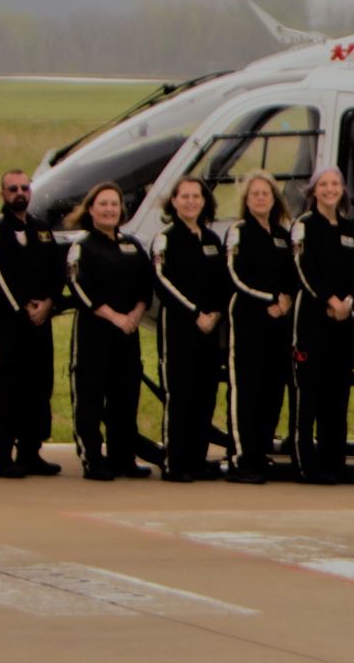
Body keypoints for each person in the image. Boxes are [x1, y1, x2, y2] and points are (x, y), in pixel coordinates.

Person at [64, 182, 154, 481]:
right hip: (95, 332)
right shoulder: (83, 246)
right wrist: (114, 316)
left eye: (114, 204)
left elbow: (146, 286)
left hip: (128, 333)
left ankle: (122, 458)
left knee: (125, 397)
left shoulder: (132, 245)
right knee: (91, 396)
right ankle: (92, 457)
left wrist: (133, 316)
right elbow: (79, 288)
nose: (109, 209)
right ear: (91, 209)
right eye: (103, 204)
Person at [0, 168, 61, 478]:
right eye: (12, 188)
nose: (19, 193)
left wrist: (49, 302)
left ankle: (30, 451)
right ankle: (0, 454)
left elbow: (57, 268)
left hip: (40, 320)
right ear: (2, 194)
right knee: (5, 385)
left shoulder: (41, 229)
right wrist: (24, 305)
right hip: (6, 321)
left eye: (24, 187)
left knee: (38, 384)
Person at [151, 177, 231, 482]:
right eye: (184, 196)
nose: (190, 201)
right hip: (180, 329)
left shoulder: (212, 239)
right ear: (174, 201)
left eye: (195, 196)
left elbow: (224, 281)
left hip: (210, 330)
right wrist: (195, 313)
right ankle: (174, 462)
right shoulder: (165, 238)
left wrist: (216, 313)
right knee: (180, 394)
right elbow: (162, 281)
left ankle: (197, 459)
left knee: (204, 394)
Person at [225, 171, 297, 484]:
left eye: (265, 193)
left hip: (279, 323)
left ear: (274, 198)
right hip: (248, 321)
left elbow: (294, 274)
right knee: (247, 389)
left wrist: (286, 301)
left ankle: (261, 453)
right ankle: (242, 458)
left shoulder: (283, 235)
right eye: (254, 193)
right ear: (247, 199)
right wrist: (270, 297)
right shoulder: (238, 231)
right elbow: (235, 274)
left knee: (272, 389)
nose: (260, 197)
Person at [290, 166, 354, 486]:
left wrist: (347, 303)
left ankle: (336, 461)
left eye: (336, 184)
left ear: (342, 190)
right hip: (312, 319)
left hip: (343, 321)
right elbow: (304, 269)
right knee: (310, 391)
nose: (330, 189)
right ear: (313, 190)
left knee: (337, 393)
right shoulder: (303, 226)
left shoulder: (350, 229)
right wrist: (330, 300)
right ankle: (306, 463)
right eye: (324, 184)